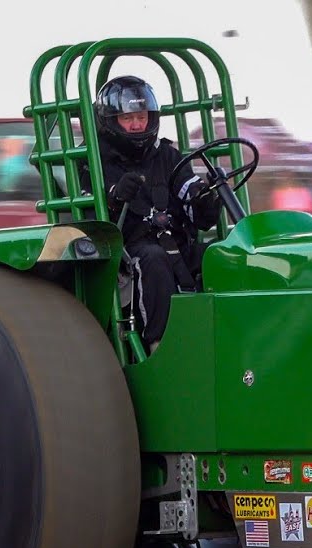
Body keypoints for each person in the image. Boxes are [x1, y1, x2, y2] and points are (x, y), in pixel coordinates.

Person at [85, 75, 224, 349]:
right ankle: (158, 347)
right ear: (111, 121)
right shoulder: (93, 162)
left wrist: (204, 199)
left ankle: (225, 337)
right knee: (153, 260)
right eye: (128, 118)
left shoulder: (167, 156)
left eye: (142, 116)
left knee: (220, 255)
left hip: (177, 246)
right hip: (126, 254)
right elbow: (90, 220)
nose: (137, 125)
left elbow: (189, 190)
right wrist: (114, 198)